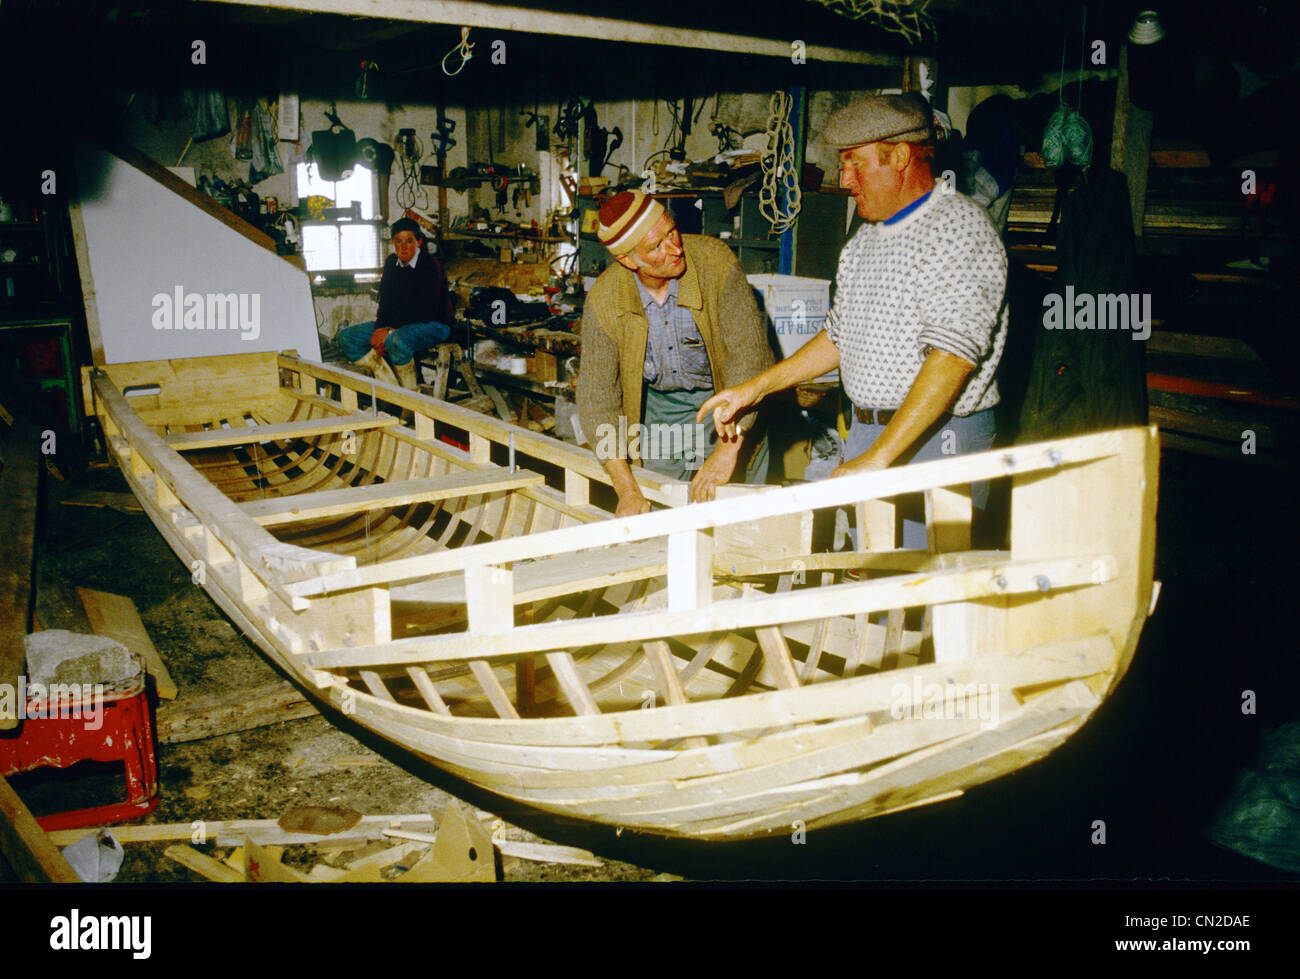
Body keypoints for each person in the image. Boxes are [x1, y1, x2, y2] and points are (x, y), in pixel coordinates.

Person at [699, 93, 1008, 548]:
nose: (845, 180)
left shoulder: (959, 230)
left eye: (856, 163)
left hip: (940, 436)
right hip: (869, 430)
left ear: (901, 156)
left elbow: (951, 360)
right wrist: (758, 387)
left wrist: (880, 458)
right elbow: (839, 337)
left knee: (933, 592)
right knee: (877, 585)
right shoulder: (866, 241)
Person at [577, 190, 775, 516]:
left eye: (671, 231)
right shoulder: (605, 298)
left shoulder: (716, 263)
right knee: (660, 515)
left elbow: (750, 357)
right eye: (656, 247)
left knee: (742, 518)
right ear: (628, 260)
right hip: (660, 412)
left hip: (729, 400)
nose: (675, 248)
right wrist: (626, 489)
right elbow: (597, 400)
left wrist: (728, 448)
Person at [335, 217, 455, 388]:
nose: (403, 247)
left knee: (396, 340)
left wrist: (389, 331)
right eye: (398, 241)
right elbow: (385, 302)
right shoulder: (392, 263)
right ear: (392, 242)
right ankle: (388, 384)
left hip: (435, 324)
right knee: (346, 337)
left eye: (409, 241)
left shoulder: (430, 265)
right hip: (397, 326)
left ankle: (411, 398)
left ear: (419, 242)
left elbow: (426, 311)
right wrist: (379, 329)